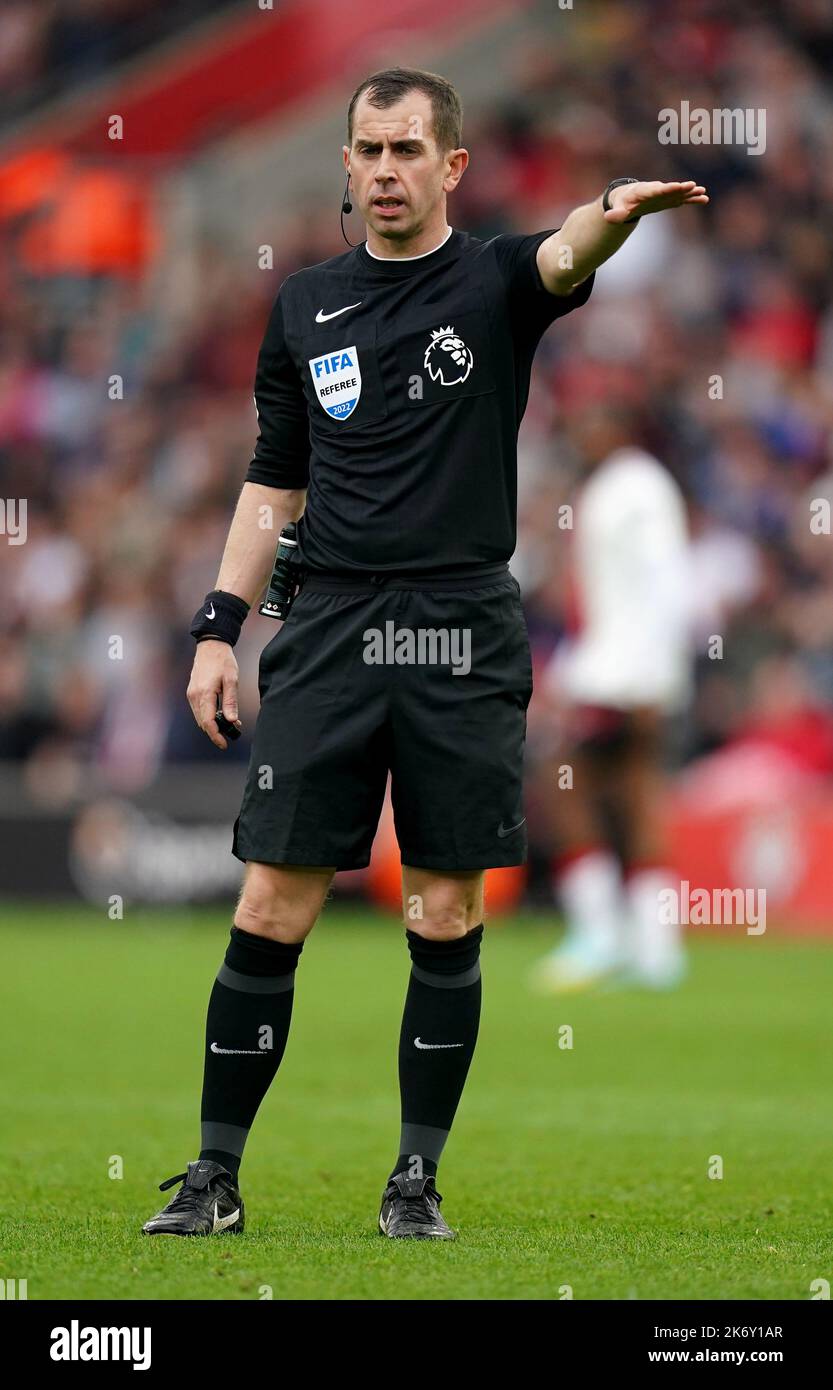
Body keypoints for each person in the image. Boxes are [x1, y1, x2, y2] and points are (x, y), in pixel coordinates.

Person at [141, 66, 708, 1240]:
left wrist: (607, 216)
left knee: (443, 910)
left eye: (408, 149)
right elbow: (271, 479)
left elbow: (563, 257)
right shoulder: (301, 304)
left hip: (459, 628)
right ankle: (211, 1178)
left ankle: (413, 1184)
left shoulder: (495, 280)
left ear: (450, 165)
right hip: (330, 628)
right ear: (345, 163)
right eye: (369, 149)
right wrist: (214, 626)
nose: (387, 170)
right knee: (271, 899)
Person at [531, 407, 693, 994]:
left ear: (622, 427)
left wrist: (653, 677)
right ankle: (655, 948)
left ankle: (600, 933)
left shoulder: (637, 486)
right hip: (612, 666)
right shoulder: (617, 486)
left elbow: (667, 582)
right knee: (634, 789)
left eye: (592, 422)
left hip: (627, 673)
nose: (582, 431)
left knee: (563, 774)